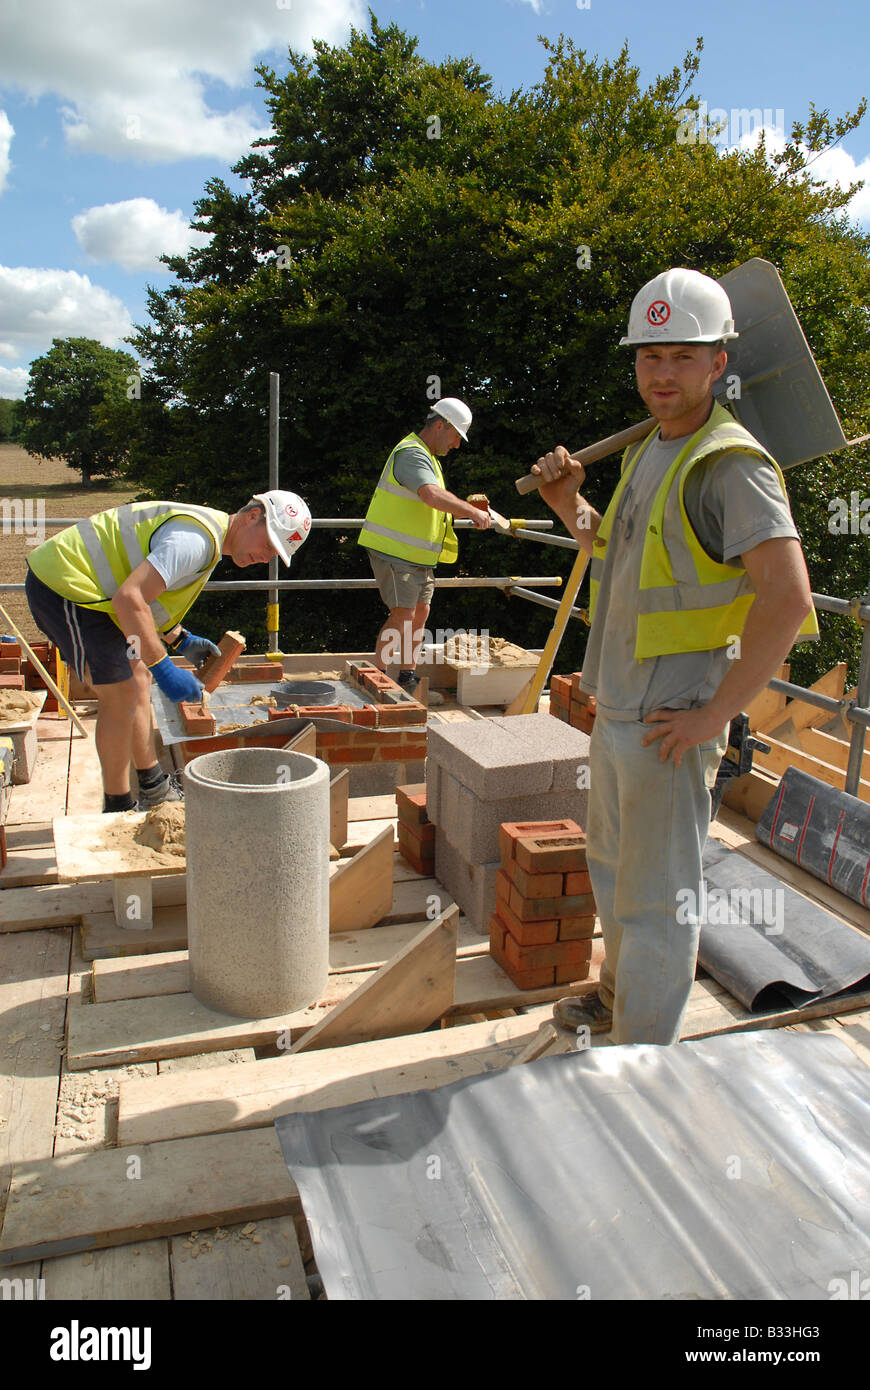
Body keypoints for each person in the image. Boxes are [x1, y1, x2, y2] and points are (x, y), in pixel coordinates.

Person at [532, 267, 818, 1045]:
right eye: (650, 356)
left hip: (673, 717)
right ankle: (618, 1001)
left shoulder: (730, 462)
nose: (663, 373)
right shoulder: (651, 453)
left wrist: (715, 718)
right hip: (621, 708)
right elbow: (615, 551)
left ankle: (641, 1067)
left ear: (718, 363)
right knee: (617, 876)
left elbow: (787, 599)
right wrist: (568, 507)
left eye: (683, 357)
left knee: (658, 899)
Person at [24, 491, 311, 812]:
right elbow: (130, 599)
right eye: (269, 544)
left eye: (276, 553)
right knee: (121, 693)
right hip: (66, 586)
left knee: (138, 683)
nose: (266, 556)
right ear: (252, 516)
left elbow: (148, 597)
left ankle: (153, 787)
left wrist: (180, 638)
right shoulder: (196, 543)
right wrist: (164, 668)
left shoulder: (209, 540)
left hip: (97, 595)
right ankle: (117, 807)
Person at [358, 397, 491, 693]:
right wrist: (471, 511)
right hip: (394, 552)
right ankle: (375, 677)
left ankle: (407, 676)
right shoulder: (412, 453)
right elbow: (431, 495)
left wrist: (467, 507)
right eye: (456, 436)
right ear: (441, 426)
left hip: (416, 556)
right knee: (404, 614)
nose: (456, 445)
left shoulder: (428, 458)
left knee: (419, 613)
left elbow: (430, 501)